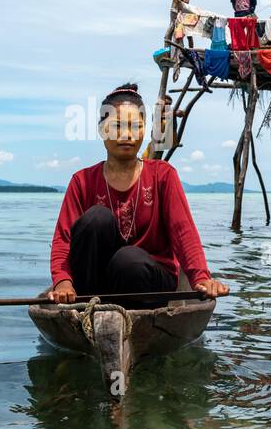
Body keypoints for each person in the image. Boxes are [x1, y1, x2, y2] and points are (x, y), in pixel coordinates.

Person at [48, 83, 230, 304]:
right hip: (96, 287)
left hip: (150, 283)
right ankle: (88, 307)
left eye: (135, 126)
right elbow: (63, 240)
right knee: (97, 218)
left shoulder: (163, 175)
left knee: (128, 260)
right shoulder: (82, 181)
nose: (126, 134)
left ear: (144, 130)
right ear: (101, 130)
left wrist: (201, 276)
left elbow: (184, 233)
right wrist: (63, 282)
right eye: (116, 126)